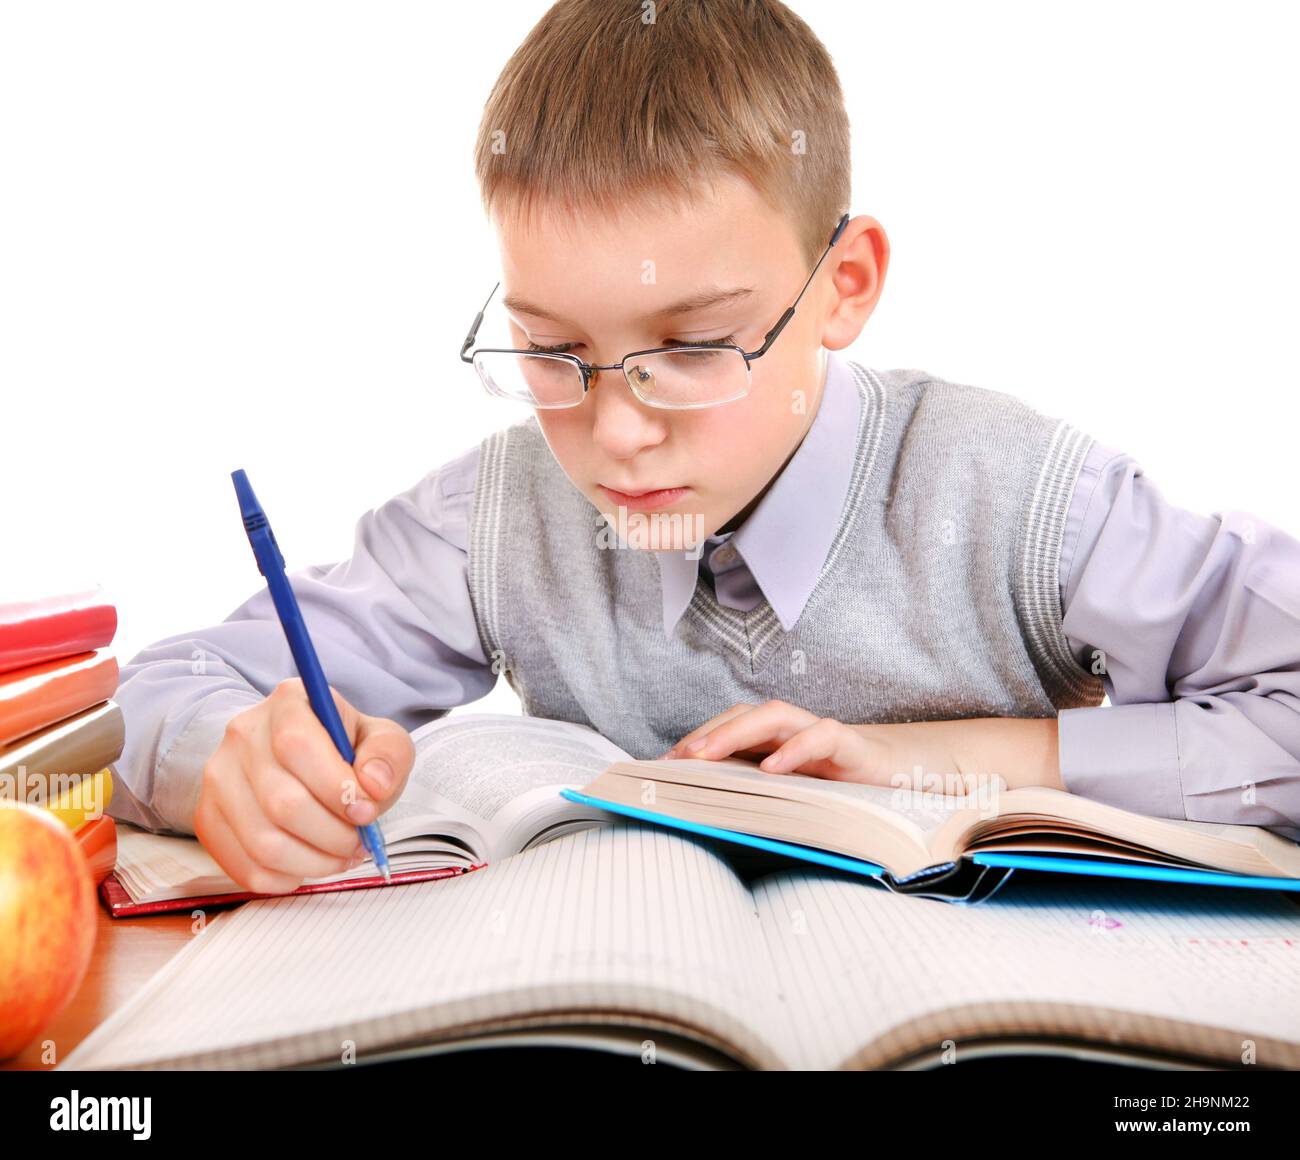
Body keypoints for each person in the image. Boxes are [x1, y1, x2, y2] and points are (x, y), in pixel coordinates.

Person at [110, 0, 1300, 894]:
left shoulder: (1019, 496)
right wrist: (236, 758)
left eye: (690, 347)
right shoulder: (498, 517)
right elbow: (158, 696)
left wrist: (926, 756)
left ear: (843, 285)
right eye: (552, 350)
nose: (617, 432)